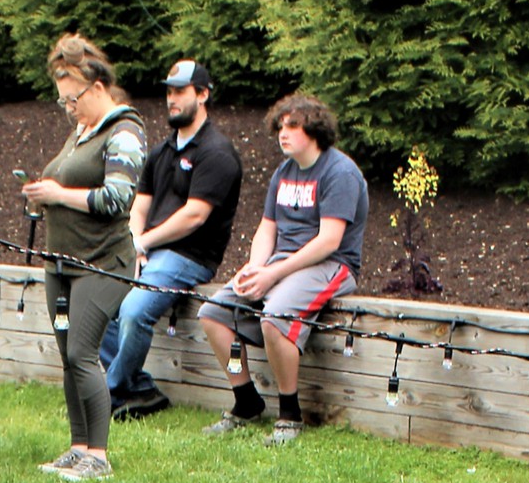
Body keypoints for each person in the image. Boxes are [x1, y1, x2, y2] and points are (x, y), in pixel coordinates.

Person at [198, 92, 367, 446]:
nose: (283, 133)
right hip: (281, 264)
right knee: (213, 313)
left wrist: (273, 275)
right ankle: (245, 400)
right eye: (280, 125)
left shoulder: (340, 172)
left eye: (293, 125)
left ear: (315, 130)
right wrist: (255, 268)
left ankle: (289, 414)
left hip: (330, 265)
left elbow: (329, 240)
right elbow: (267, 229)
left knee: (274, 316)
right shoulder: (284, 172)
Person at [21, 35, 146, 482]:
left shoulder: (125, 131)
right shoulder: (82, 132)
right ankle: (77, 448)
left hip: (102, 262)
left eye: (72, 99)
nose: (68, 109)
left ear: (95, 87)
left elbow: (118, 198)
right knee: (67, 356)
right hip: (61, 263)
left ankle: (100, 456)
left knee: (82, 352)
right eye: (62, 102)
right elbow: (67, 186)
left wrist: (59, 194)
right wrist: (43, 198)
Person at [99, 60, 242, 421]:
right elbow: (139, 206)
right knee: (97, 302)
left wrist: (145, 242)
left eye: (180, 91)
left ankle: (107, 395)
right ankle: (141, 390)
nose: (172, 99)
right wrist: (134, 243)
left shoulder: (217, 152)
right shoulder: (162, 152)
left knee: (132, 311)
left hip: (189, 255)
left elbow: (194, 216)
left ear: (203, 94)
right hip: (151, 249)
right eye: (169, 91)